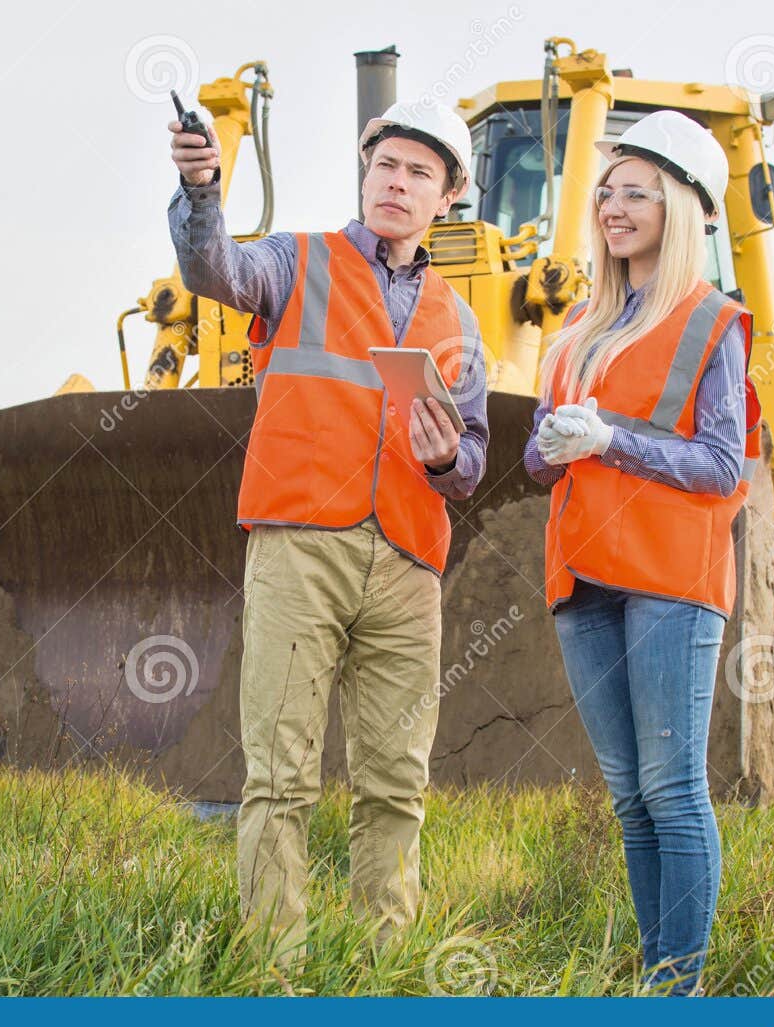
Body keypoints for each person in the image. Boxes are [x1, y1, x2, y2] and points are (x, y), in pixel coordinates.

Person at [167, 99, 490, 959]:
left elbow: (476, 461)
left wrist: (444, 457)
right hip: (299, 548)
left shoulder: (460, 321)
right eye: (386, 163)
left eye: (420, 172)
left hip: (409, 566)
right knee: (279, 776)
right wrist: (201, 188)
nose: (398, 181)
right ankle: (277, 973)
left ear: (447, 197)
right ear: (365, 171)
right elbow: (213, 271)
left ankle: (384, 966)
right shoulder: (293, 262)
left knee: (396, 782)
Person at [524, 110, 762, 995]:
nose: (615, 207)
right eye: (608, 192)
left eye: (637, 192)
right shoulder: (577, 327)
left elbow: (722, 464)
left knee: (672, 787)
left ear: (681, 207)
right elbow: (538, 458)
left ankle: (679, 989)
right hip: (582, 578)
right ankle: (656, 975)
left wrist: (609, 439)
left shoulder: (713, 324)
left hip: (670, 576)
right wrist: (554, 443)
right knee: (629, 797)